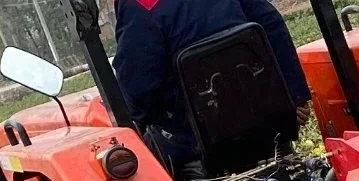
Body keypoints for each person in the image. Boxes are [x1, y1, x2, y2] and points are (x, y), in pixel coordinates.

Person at [112, 0, 312, 168]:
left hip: (195, 136)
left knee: (136, 161)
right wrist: (293, 98)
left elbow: (138, 85)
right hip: (264, 116)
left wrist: (142, 117)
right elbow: (272, 25)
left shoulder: (137, 4)